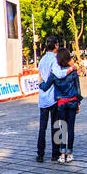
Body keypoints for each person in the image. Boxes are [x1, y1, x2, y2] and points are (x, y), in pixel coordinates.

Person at [52, 48, 81, 162]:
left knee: (61, 127)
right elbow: (77, 89)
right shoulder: (72, 72)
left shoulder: (57, 73)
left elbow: (53, 88)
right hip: (72, 101)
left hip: (61, 103)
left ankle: (62, 154)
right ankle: (70, 153)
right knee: (71, 128)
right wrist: (78, 102)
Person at [35, 35, 60, 163]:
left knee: (42, 127)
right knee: (55, 125)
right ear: (55, 46)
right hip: (53, 96)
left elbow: (40, 77)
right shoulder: (54, 60)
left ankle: (40, 153)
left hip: (43, 97)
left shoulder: (42, 59)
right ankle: (55, 153)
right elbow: (56, 76)